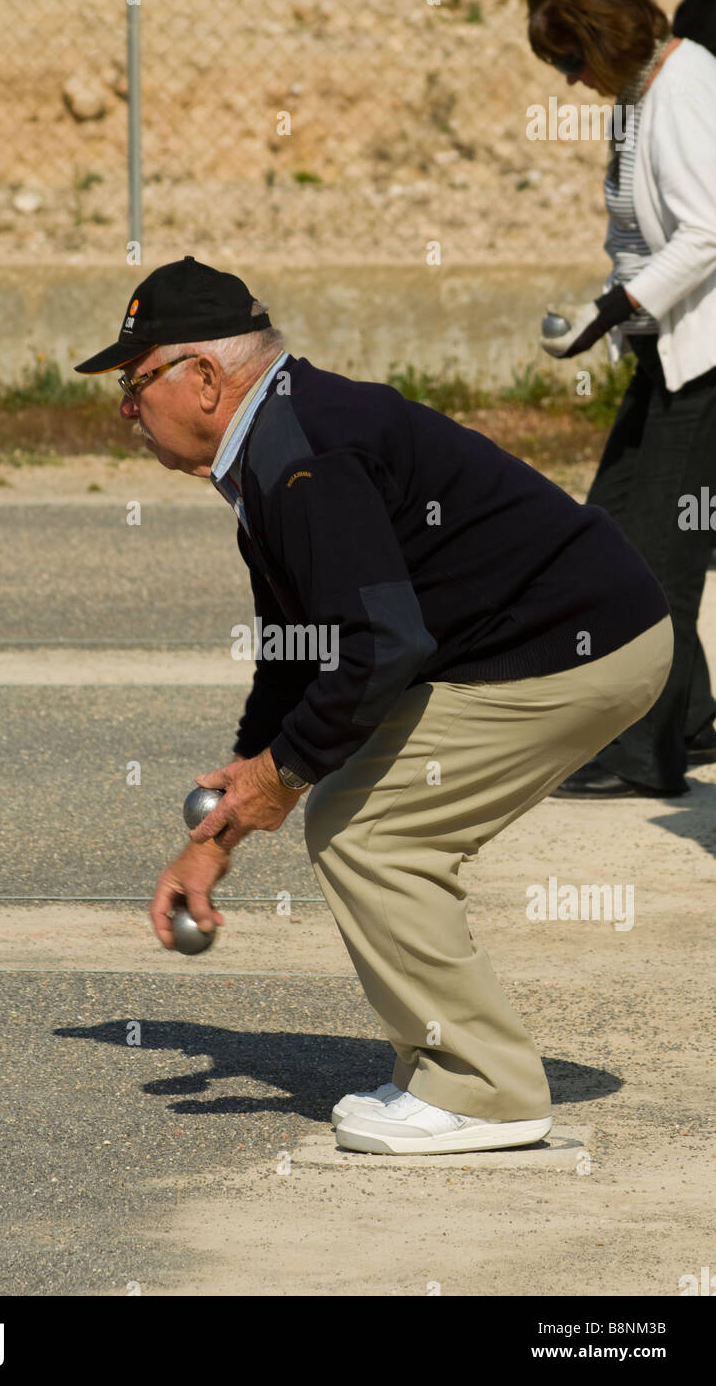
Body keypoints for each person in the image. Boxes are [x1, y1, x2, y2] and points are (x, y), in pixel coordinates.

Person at [75, 256, 673, 1155]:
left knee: (369, 830)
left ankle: (484, 1090)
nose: (127, 408)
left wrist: (283, 776)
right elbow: (300, 653)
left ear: (202, 378)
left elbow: (381, 645)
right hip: (548, 638)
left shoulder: (302, 454)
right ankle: (449, 1070)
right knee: (354, 805)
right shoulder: (273, 442)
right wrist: (221, 829)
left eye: (135, 379)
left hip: (580, 647)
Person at [525, 0, 716, 798]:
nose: (570, 81)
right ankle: (691, 719)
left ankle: (645, 754)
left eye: (571, 61)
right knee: (605, 533)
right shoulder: (641, 94)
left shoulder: (684, 88)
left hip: (705, 368)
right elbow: (636, 236)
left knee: (657, 561)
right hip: (667, 357)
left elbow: (707, 231)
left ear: (603, 41)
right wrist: (605, 317)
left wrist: (616, 306)